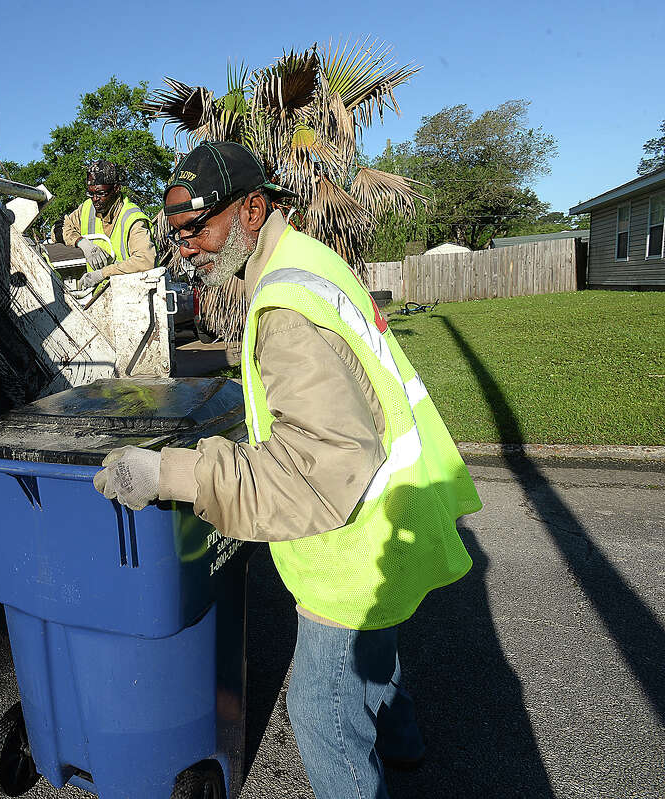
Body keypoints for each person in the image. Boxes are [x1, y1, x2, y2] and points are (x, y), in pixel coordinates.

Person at [92, 141, 481, 799]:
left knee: (323, 716)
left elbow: (314, 472)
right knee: (375, 664)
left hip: (355, 545)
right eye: (177, 234)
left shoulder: (284, 303)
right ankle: (405, 742)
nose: (185, 248)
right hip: (399, 512)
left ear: (251, 208)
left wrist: (167, 475)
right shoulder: (306, 260)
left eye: (196, 228)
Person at [60, 160, 156, 290]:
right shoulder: (86, 208)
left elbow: (145, 260)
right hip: (100, 300)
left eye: (101, 193)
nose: (95, 199)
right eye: (91, 193)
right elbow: (64, 227)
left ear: (116, 188)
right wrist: (82, 243)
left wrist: (103, 273)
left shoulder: (132, 219)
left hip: (133, 297)